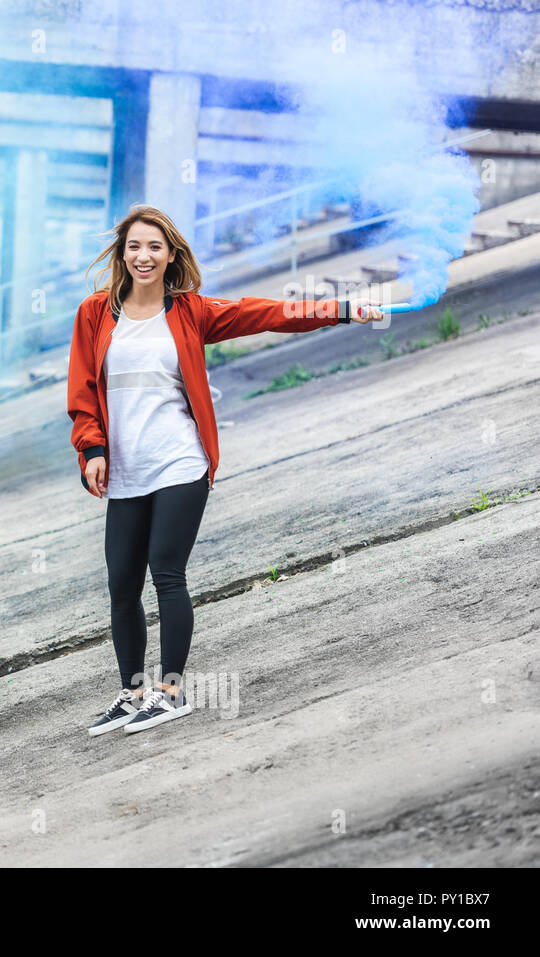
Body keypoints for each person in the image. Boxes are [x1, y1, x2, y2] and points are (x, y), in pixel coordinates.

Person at [67, 204, 382, 736]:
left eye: (155, 247)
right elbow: (82, 394)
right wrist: (91, 449)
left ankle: (170, 692)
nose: (144, 256)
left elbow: (269, 314)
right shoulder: (95, 314)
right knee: (122, 584)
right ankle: (132, 693)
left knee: (166, 571)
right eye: (135, 247)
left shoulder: (190, 312)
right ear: (122, 254)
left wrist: (344, 307)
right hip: (125, 470)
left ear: (171, 256)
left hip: (180, 460)